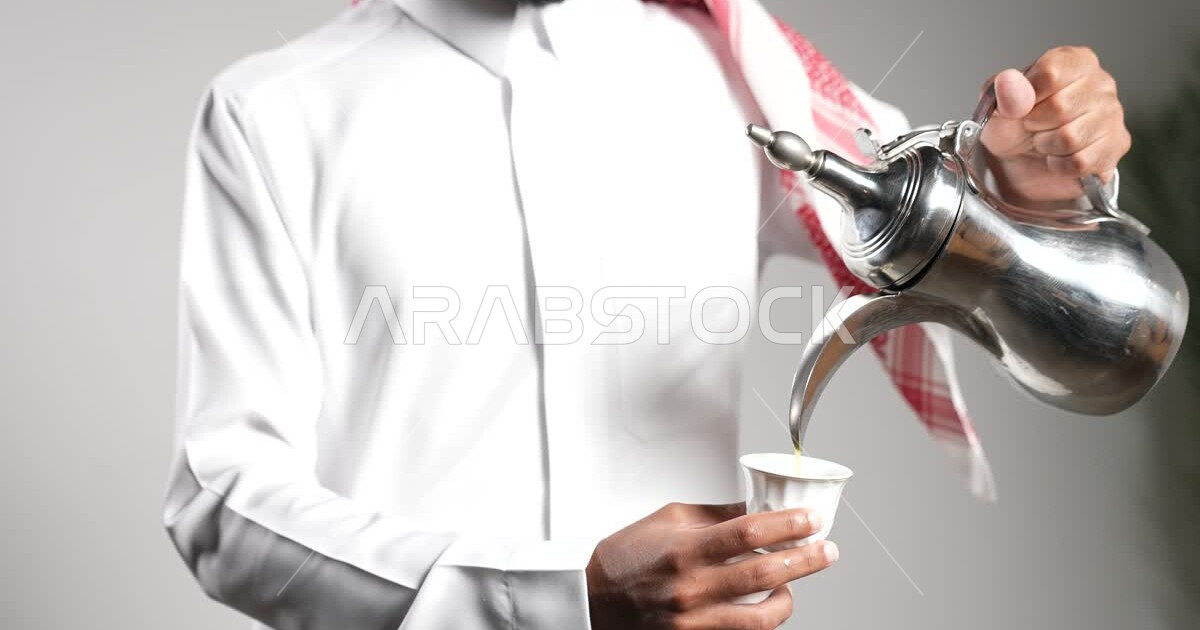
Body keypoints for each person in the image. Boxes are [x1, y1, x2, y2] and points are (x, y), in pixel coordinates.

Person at [162, 0, 1131, 628]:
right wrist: (556, 597)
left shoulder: (750, 74)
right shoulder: (274, 112)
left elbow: (962, 223)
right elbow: (222, 494)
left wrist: (1033, 176)